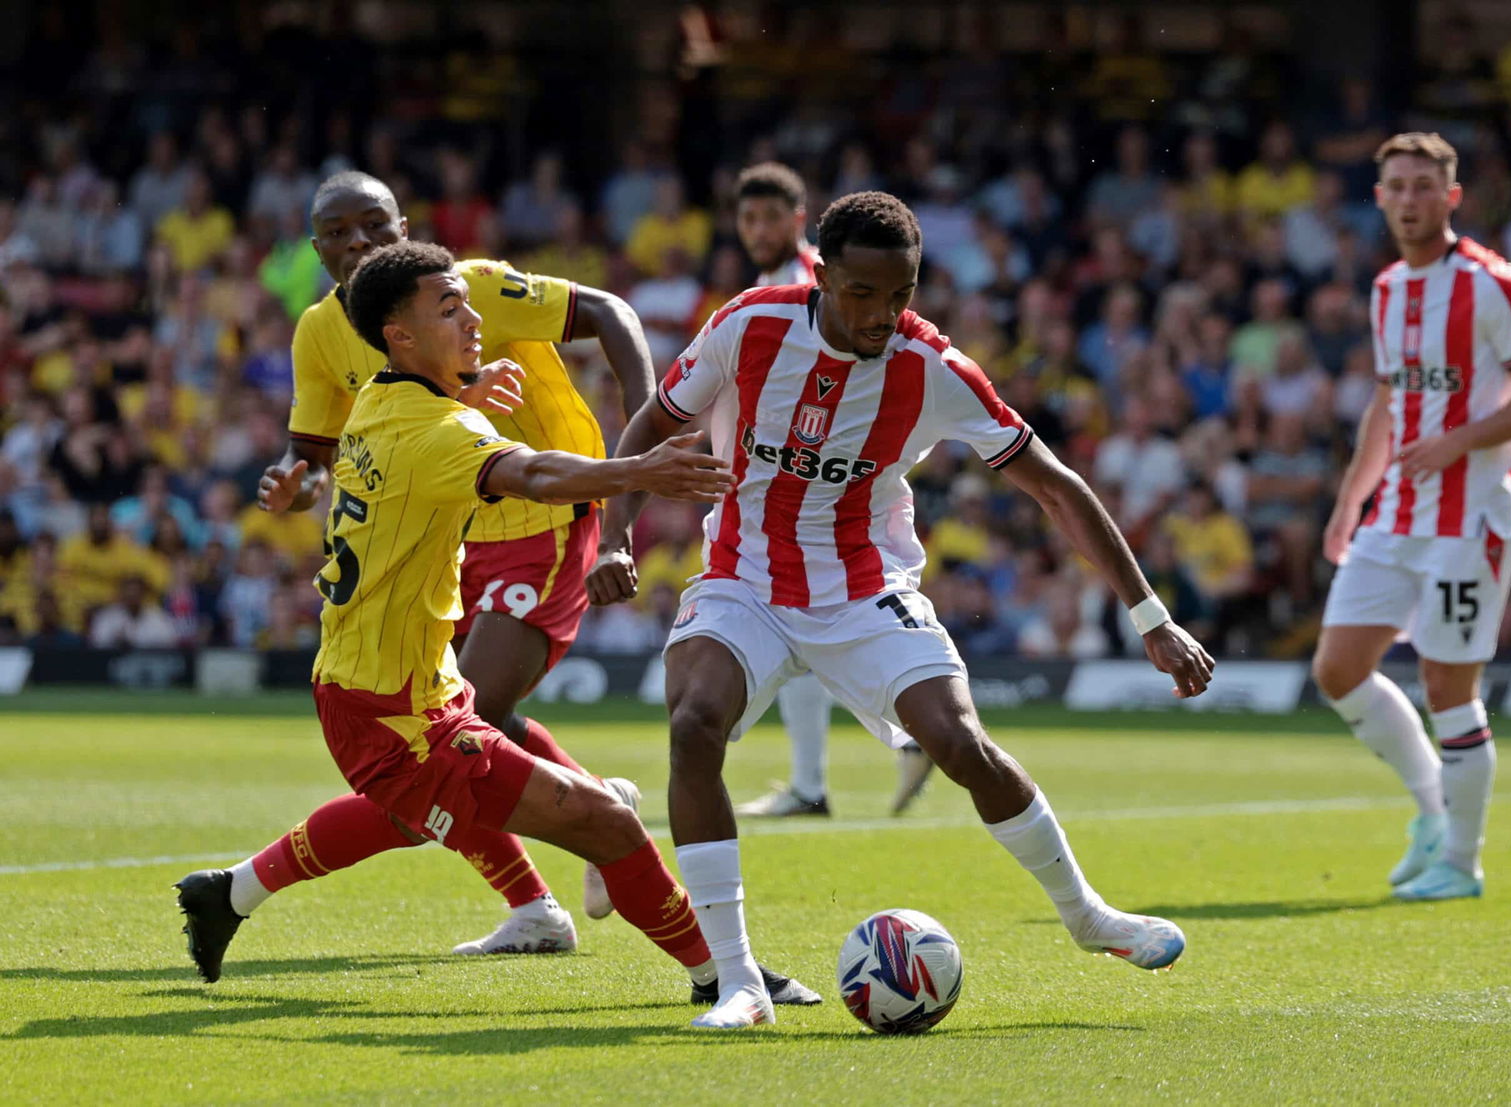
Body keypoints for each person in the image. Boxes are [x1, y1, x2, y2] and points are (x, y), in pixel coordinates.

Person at [587, 192, 1215, 1029]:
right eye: (862, 293)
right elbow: (653, 422)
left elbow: (1057, 488)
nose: (882, 314)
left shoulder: (934, 368)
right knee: (694, 722)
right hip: (744, 579)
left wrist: (1152, 618)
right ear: (823, 275)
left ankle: (1087, 915)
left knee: (959, 741)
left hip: (864, 587)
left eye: (900, 294)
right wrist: (614, 537)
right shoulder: (748, 324)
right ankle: (739, 981)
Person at [174, 241, 816, 1012]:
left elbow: (420, 437)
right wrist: (638, 471)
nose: (474, 318)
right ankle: (722, 974)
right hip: (394, 713)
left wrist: (465, 390)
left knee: (419, 812)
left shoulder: (377, 400)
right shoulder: (435, 432)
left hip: (384, 686)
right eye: (450, 309)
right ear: (399, 336)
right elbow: (535, 474)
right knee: (606, 821)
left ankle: (231, 893)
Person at [190, 171, 674, 965]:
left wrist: (642, 435)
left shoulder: (470, 287)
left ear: (403, 226)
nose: (357, 242)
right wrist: (294, 483)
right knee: (451, 738)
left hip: (545, 519)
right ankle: (549, 884)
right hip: (448, 539)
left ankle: (598, 833)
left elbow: (610, 312)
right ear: (316, 249)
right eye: (337, 233)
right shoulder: (320, 332)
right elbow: (315, 454)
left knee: (456, 732)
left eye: (373, 226)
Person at [1313, 133, 1511, 902]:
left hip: (1468, 521)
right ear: (1380, 198)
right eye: (1396, 186)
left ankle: (1461, 860)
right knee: (1337, 670)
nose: (1409, 199)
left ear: (1451, 197)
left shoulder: (1493, 284)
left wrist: (1457, 440)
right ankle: (1431, 811)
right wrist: (1352, 498)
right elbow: (1388, 404)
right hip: (1394, 515)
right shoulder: (1388, 287)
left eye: (1424, 186)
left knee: (1448, 687)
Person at [725, 162, 936, 820]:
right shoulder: (767, 290)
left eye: (770, 217)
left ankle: (834, 771)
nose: (758, 229)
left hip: (811, 489)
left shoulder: (815, 287)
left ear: (798, 221)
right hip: (782, 480)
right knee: (805, 634)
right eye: (748, 218)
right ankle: (853, 761)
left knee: (798, 621)